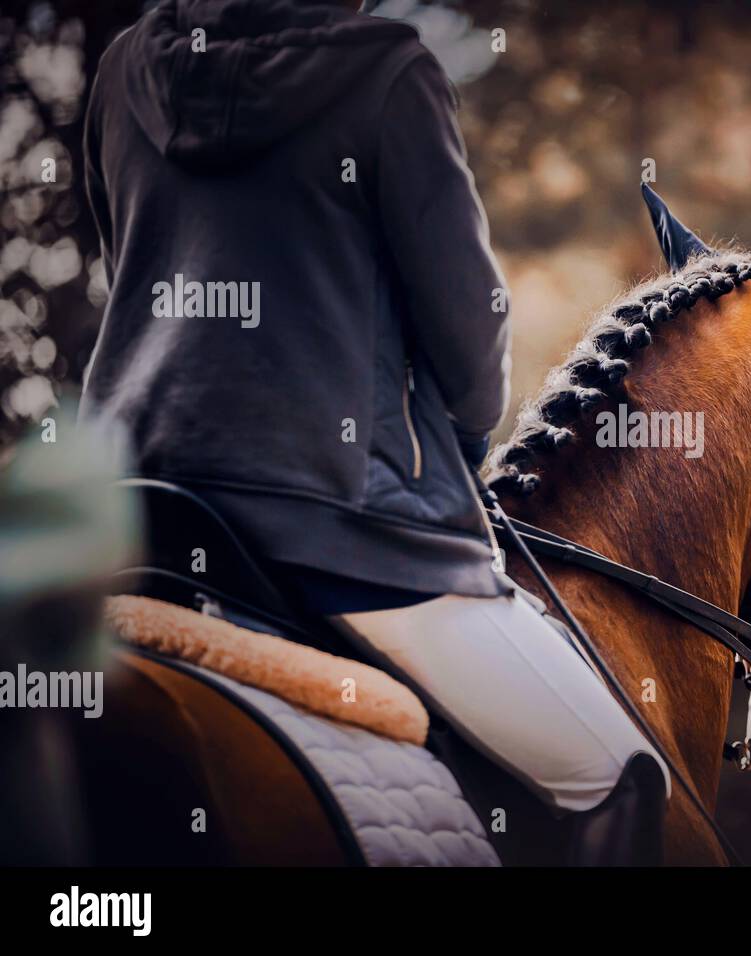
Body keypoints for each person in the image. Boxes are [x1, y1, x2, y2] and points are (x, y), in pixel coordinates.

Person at [78, 0, 666, 863]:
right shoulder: (388, 71)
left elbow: (126, 274)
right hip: (342, 537)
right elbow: (469, 331)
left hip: (135, 519)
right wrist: (456, 456)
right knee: (619, 774)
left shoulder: (123, 71)